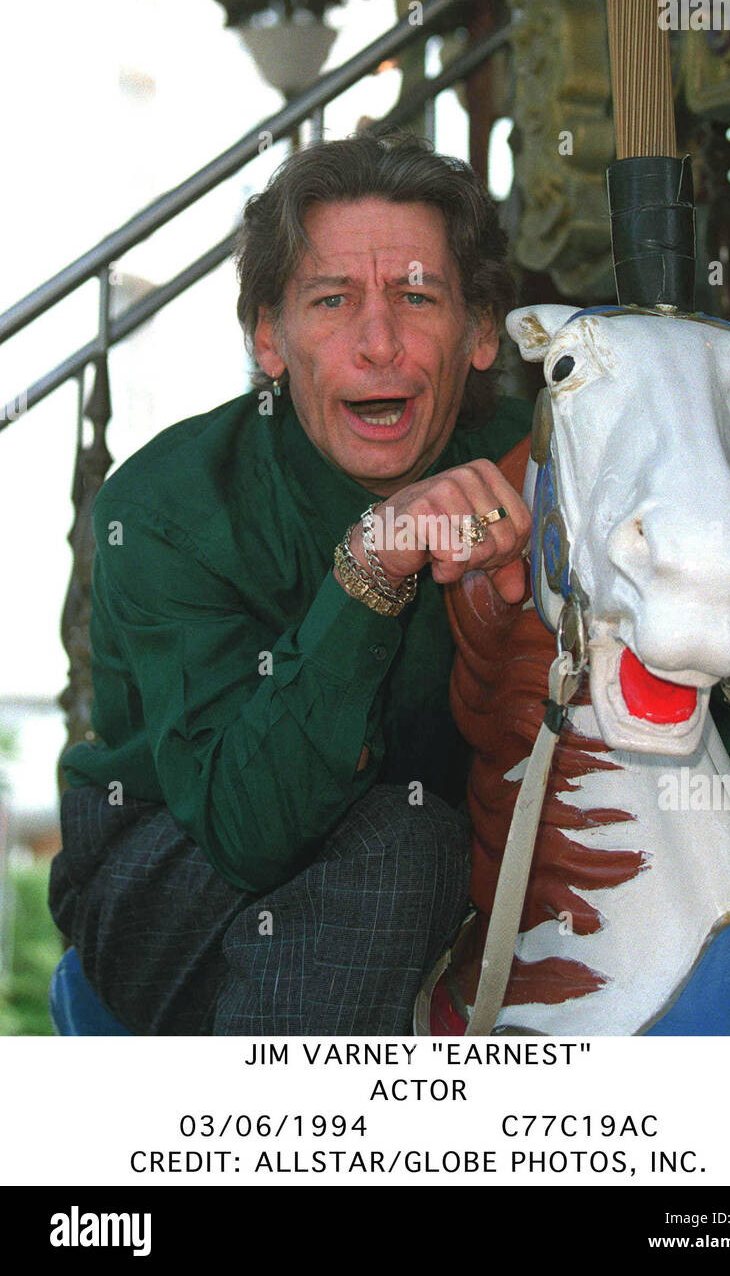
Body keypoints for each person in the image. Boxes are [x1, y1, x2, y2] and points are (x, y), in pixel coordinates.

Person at [48, 132, 534, 1036]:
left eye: (417, 296)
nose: (377, 343)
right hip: (171, 866)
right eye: (331, 300)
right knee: (405, 842)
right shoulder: (167, 506)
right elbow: (247, 827)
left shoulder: (538, 460)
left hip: (455, 858)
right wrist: (370, 571)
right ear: (269, 337)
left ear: (477, 335)